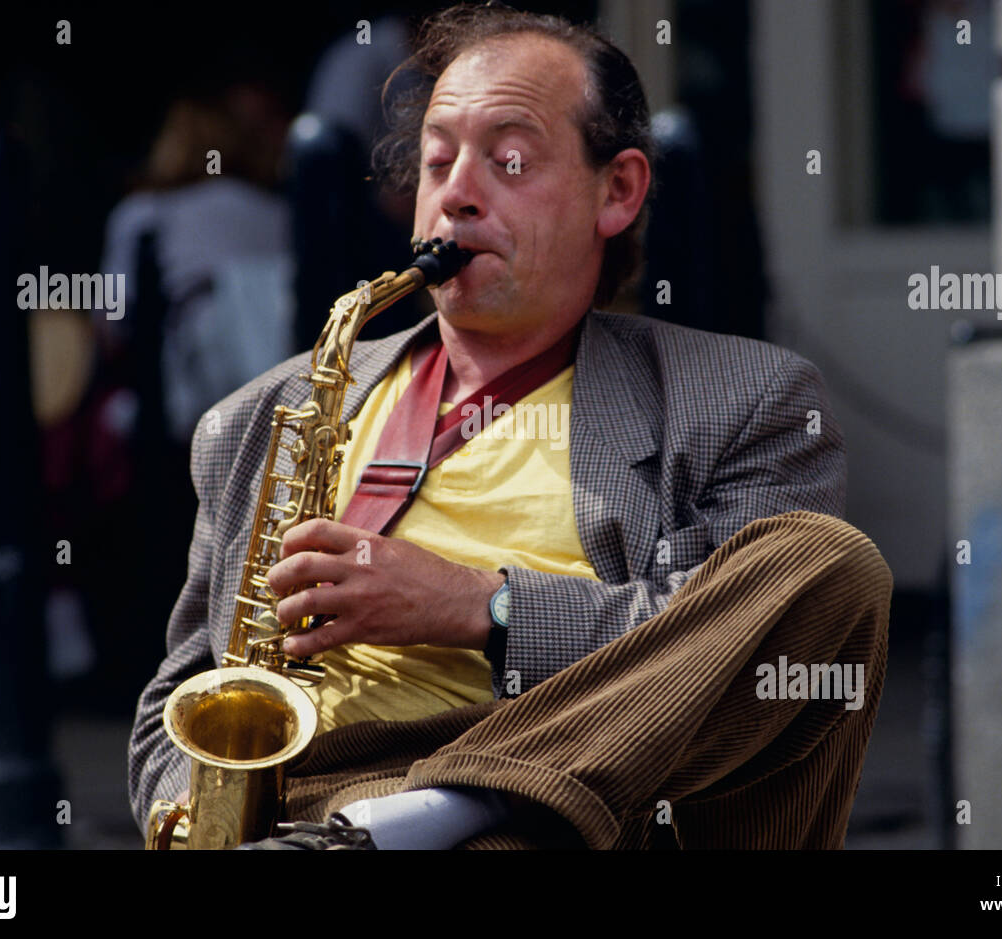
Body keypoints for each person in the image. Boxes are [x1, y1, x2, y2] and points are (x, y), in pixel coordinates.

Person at [128, 5, 892, 850]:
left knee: (832, 566)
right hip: (309, 805)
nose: (456, 193)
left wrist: (479, 604)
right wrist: (193, 818)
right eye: (437, 160)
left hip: (589, 814)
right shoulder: (257, 415)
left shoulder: (745, 398)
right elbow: (177, 698)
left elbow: (731, 656)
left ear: (619, 190)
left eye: (510, 160)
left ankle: (455, 809)